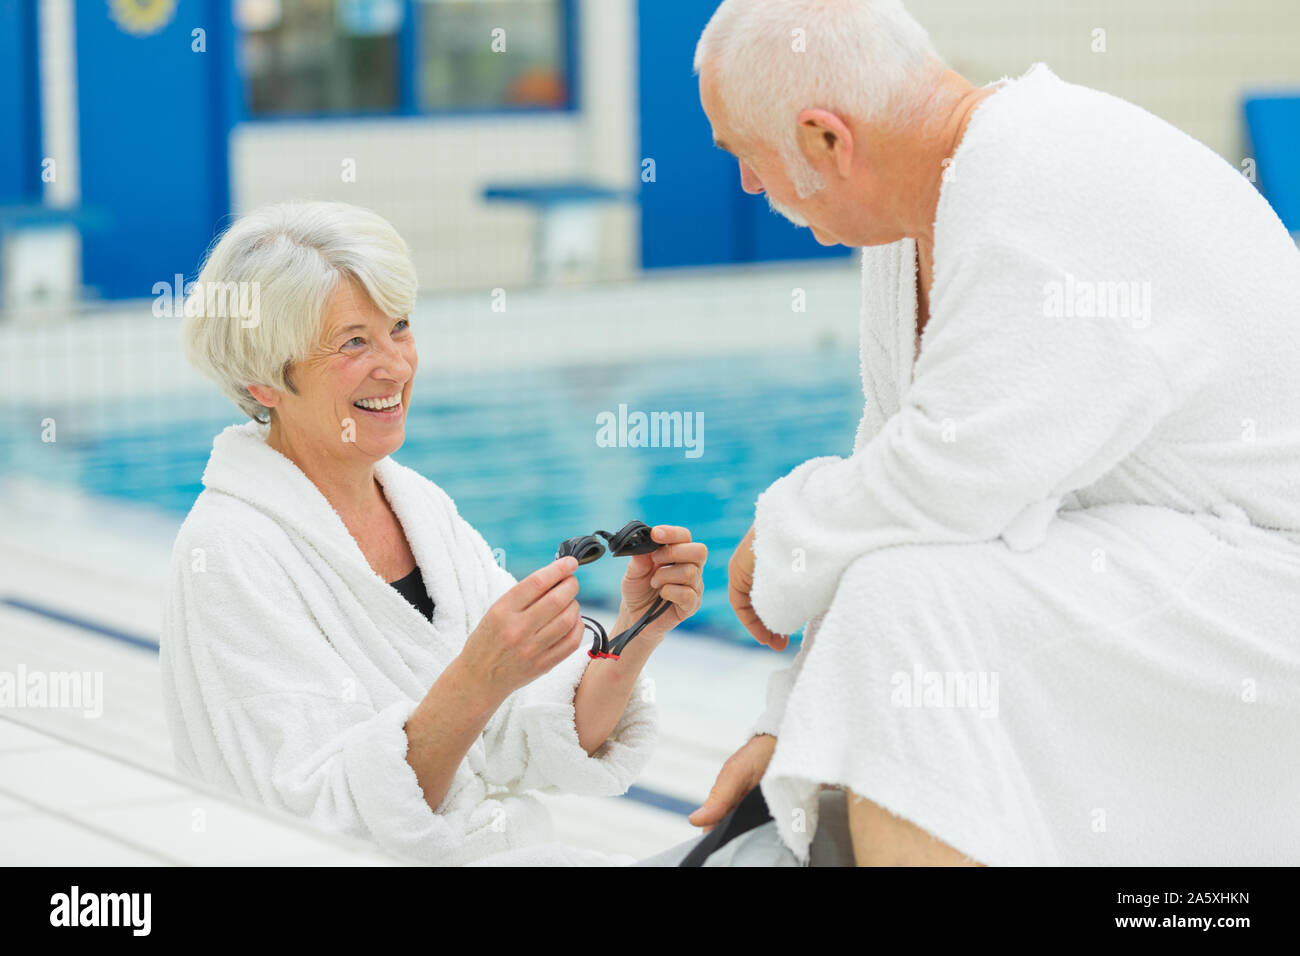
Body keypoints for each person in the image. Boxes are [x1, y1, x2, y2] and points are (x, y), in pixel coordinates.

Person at [693, 0, 1300, 866]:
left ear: (828, 140)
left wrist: (784, 538)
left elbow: (954, 480)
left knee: (912, 610)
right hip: (1192, 563)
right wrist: (793, 717)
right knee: (904, 603)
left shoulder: (1042, 185)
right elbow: (899, 497)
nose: (750, 186)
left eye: (746, 157)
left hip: (1271, 594)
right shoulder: (933, 209)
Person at [160, 200, 707, 866]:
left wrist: (632, 633)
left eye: (400, 327)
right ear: (263, 380)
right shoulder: (228, 553)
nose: (395, 365)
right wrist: (476, 680)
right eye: (354, 342)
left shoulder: (417, 506)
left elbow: (527, 736)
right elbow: (311, 824)